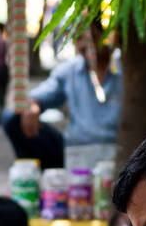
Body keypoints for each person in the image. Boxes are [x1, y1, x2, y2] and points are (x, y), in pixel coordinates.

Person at [12, 19, 121, 172]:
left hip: (119, 149)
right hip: (79, 149)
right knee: (10, 118)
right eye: (77, 39)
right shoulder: (69, 71)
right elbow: (38, 95)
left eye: (90, 37)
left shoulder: (124, 68)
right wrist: (34, 105)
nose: (83, 45)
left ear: (106, 35)